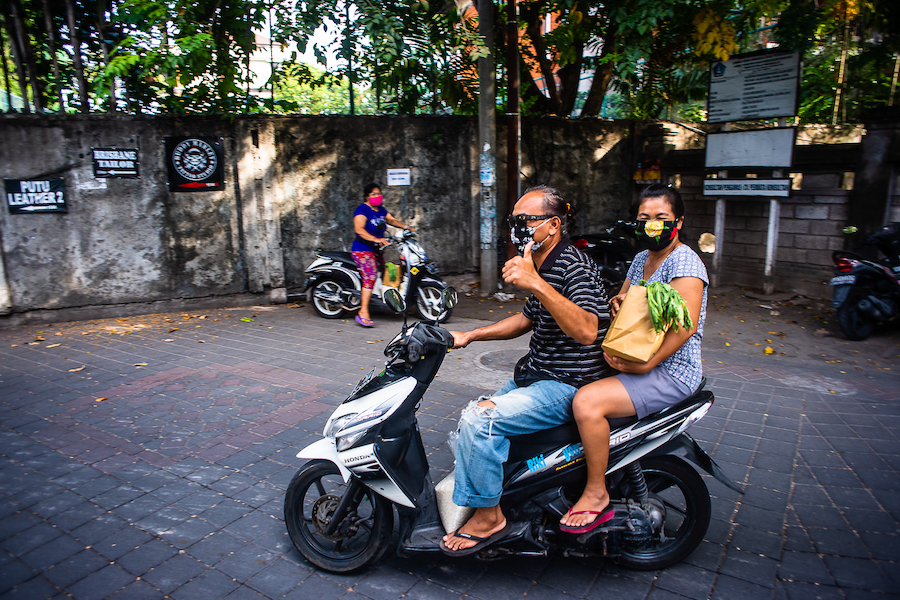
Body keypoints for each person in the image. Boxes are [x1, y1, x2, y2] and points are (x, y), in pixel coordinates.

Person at [441, 185, 615, 555]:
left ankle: (490, 517)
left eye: (524, 221)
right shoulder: (542, 262)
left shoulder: (572, 264)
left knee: (480, 422)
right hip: (536, 373)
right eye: (513, 221)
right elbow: (526, 319)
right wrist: (470, 335)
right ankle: (512, 493)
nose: (516, 229)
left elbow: (587, 330)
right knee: (466, 426)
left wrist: (533, 281)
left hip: (567, 382)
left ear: (553, 225)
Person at [559, 183, 708, 534]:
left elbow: (683, 328)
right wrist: (616, 303)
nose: (652, 225)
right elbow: (624, 303)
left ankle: (595, 493)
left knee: (587, 403)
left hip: (670, 369)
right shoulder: (642, 258)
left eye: (661, 218)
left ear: (678, 221)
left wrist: (646, 364)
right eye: (644, 218)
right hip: (635, 356)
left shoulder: (686, 262)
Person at [351, 183, 413, 327]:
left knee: (385, 274)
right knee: (371, 277)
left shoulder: (380, 209)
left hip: (377, 251)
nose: (377, 196)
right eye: (373, 194)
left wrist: (405, 227)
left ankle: (380, 304)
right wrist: (376, 239)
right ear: (367, 196)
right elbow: (359, 230)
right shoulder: (362, 210)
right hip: (363, 250)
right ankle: (363, 311)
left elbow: (390, 220)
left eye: (378, 193)